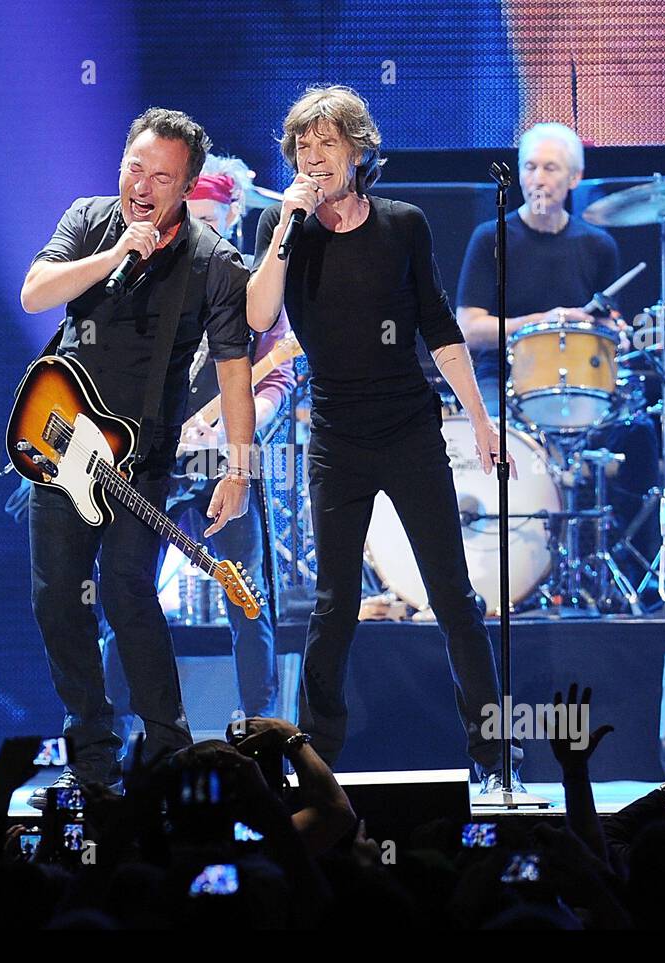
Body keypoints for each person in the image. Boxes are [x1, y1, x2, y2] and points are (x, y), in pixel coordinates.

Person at [247, 85, 522, 793]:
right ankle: (315, 763)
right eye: (303, 147)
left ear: (358, 151)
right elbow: (258, 314)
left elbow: (437, 324)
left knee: (453, 596)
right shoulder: (285, 232)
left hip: (408, 429)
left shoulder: (403, 224)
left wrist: (483, 423)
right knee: (334, 605)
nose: (314, 158)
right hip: (337, 439)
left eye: (327, 145)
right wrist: (283, 228)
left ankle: (493, 757)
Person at [18, 108, 256, 805]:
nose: (144, 186)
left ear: (187, 187)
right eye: (135, 168)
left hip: (140, 457)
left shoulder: (214, 263)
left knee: (128, 593)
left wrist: (239, 469)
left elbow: (237, 371)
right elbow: (35, 292)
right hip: (61, 442)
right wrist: (117, 252)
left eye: (163, 177)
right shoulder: (90, 218)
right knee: (55, 598)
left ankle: (169, 756)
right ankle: (91, 759)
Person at [102, 155, 297, 735]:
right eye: (194, 217)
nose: (204, 230)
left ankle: (260, 724)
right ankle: (117, 729)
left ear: (234, 216)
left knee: (246, 594)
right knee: (128, 589)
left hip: (223, 461)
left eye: (214, 218)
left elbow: (278, 378)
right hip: (152, 460)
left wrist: (241, 425)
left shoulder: (253, 289)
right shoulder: (147, 275)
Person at [455, 122, 658, 559]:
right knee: (487, 441)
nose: (537, 178)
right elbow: (469, 328)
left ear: (574, 178)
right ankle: (500, 564)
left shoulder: (598, 245)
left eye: (550, 168)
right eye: (529, 167)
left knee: (641, 432)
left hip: (581, 386)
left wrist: (614, 332)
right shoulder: (491, 238)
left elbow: (609, 328)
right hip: (504, 380)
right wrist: (543, 321)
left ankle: (629, 565)